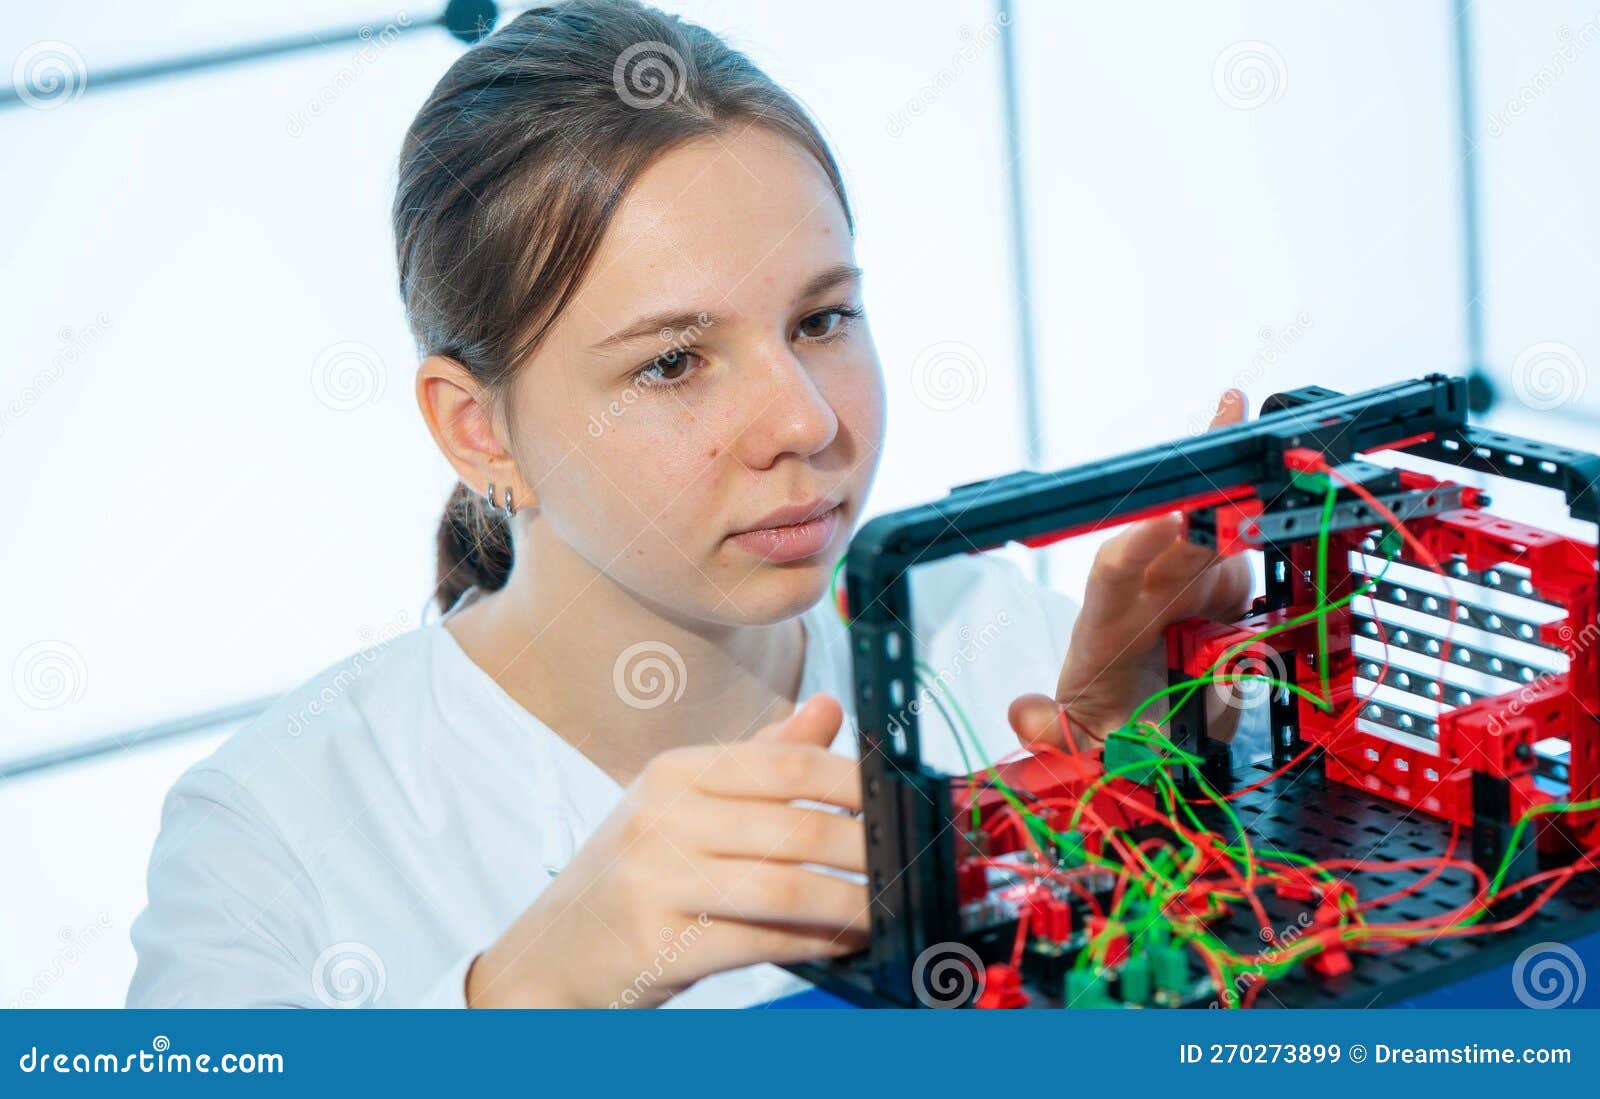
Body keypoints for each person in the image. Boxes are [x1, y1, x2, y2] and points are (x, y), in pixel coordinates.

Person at [127, 0, 1251, 1009]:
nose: (806, 422)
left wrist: (1147, 800)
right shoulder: (271, 835)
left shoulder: (992, 644)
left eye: (820, 320)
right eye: (671, 363)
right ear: (479, 428)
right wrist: (521, 999)